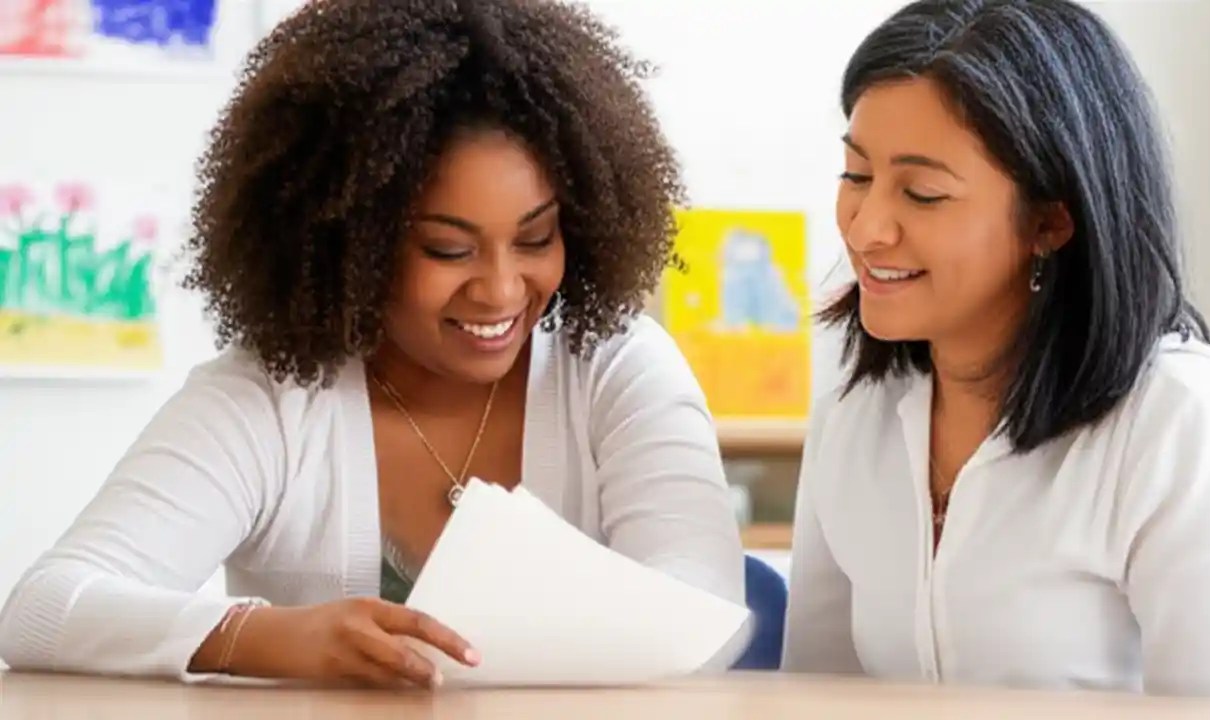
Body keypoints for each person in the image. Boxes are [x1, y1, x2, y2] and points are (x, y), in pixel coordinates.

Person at [0, 0, 745, 688]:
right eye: (448, 251)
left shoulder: (616, 369)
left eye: (535, 238)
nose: (500, 289)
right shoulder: (271, 401)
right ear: (348, 242)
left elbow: (703, 620)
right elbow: (41, 610)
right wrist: (266, 637)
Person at [781, 0, 1210, 701]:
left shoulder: (1180, 422)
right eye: (856, 176)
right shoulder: (854, 411)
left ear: (1050, 220)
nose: (866, 230)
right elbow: (814, 695)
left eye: (922, 194)